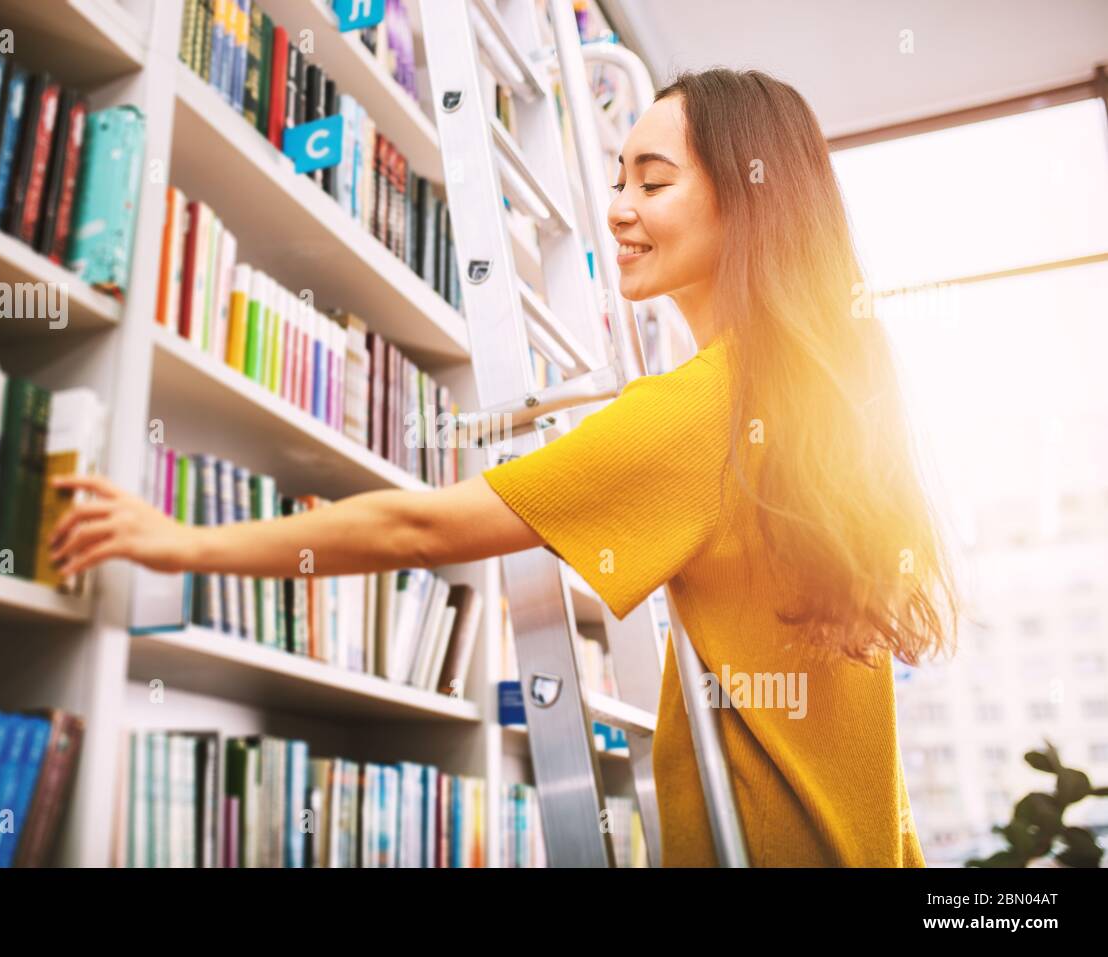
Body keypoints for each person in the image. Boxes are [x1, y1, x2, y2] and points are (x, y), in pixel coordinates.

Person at [49, 67, 959, 867]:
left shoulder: (695, 411)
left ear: (746, 198)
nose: (617, 209)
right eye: (616, 179)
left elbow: (421, 527)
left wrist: (177, 544)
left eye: (654, 181)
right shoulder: (818, 401)